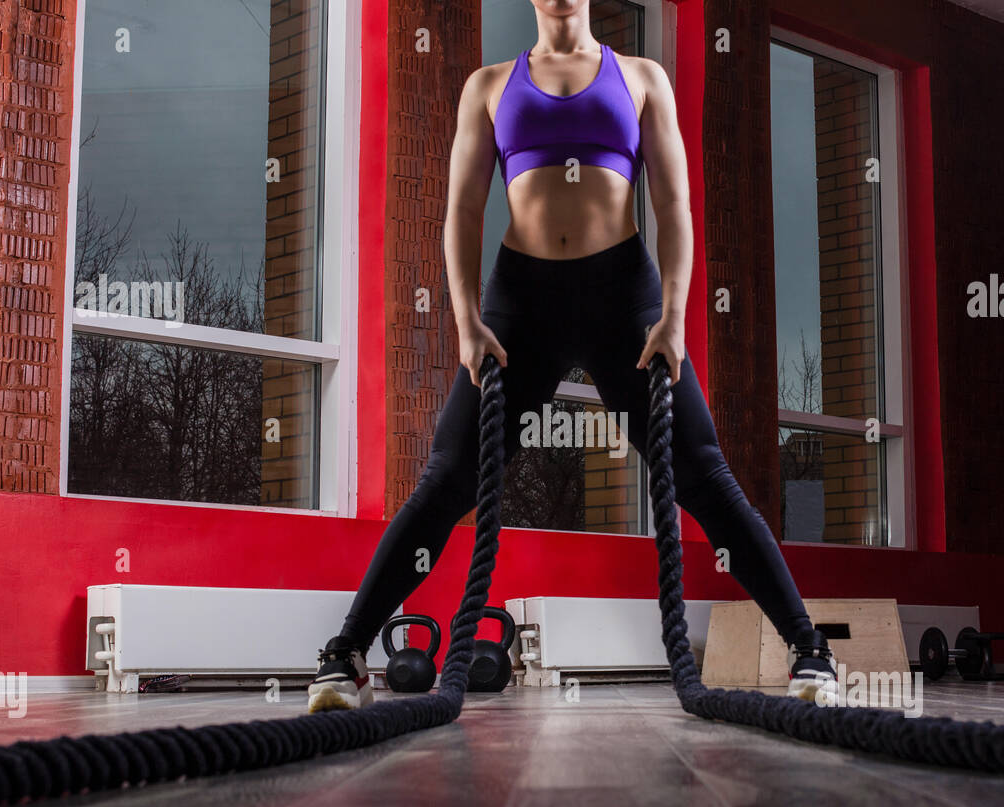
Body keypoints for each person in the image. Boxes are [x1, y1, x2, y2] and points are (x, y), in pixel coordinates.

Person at [307, 0, 836, 713]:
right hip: (520, 301)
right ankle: (345, 656)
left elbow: (676, 205)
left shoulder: (643, 78)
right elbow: (462, 210)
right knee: (449, 476)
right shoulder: (489, 86)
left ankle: (811, 651)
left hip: (625, 299)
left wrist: (675, 317)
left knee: (704, 474)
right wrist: (465, 320)